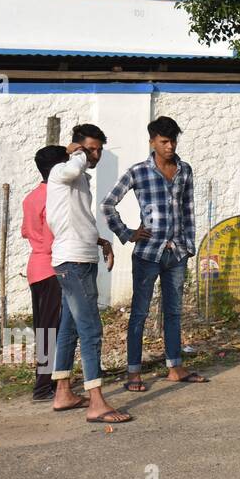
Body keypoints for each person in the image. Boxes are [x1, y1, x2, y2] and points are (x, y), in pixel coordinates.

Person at [102, 116, 207, 392]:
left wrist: (188, 245)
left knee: (173, 312)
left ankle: (175, 366)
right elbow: (108, 204)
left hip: (177, 253)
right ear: (152, 142)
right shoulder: (138, 172)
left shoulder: (184, 170)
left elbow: (188, 210)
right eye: (164, 141)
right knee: (140, 313)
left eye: (173, 141)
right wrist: (127, 233)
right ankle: (133, 372)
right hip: (148, 253)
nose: (170, 146)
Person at [47, 123, 131, 424]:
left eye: (98, 150)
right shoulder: (63, 171)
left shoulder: (78, 178)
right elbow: (70, 169)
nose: (95, 155)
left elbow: (76, 221)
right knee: (91, 329)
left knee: (69, 328)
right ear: (77, 148)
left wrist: (101, 241)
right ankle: (96, 402)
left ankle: (63, 393)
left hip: (79, 258)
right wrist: (77, 153)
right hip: (73, 263)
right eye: (90, 148)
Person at [21, 145, 68, 401]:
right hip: (51, 268)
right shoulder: (54, 196)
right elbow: (54, 235)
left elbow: (25, 231)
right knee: (53, 329)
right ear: (58, 168)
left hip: (34, 267)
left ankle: (46, 382)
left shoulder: (30, 197)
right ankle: (43, 387)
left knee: (44, 329)